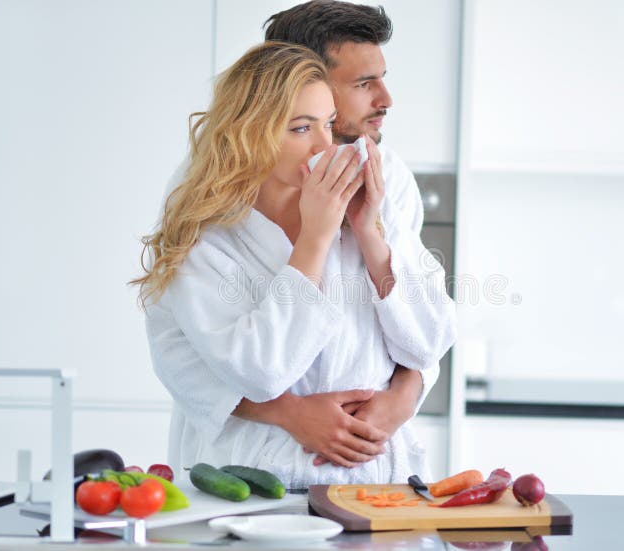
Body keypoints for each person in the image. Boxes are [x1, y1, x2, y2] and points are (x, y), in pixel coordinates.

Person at [134, 41, 456, 487]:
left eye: (327, 124)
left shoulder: (368, 202)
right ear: (248, 135)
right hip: (256, 488)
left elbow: (429, 342)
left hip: (378, 486)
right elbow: (261, 372)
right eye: (301, 128)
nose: (325, 146)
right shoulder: (208, 239)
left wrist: (369, 233)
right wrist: (315, 237)